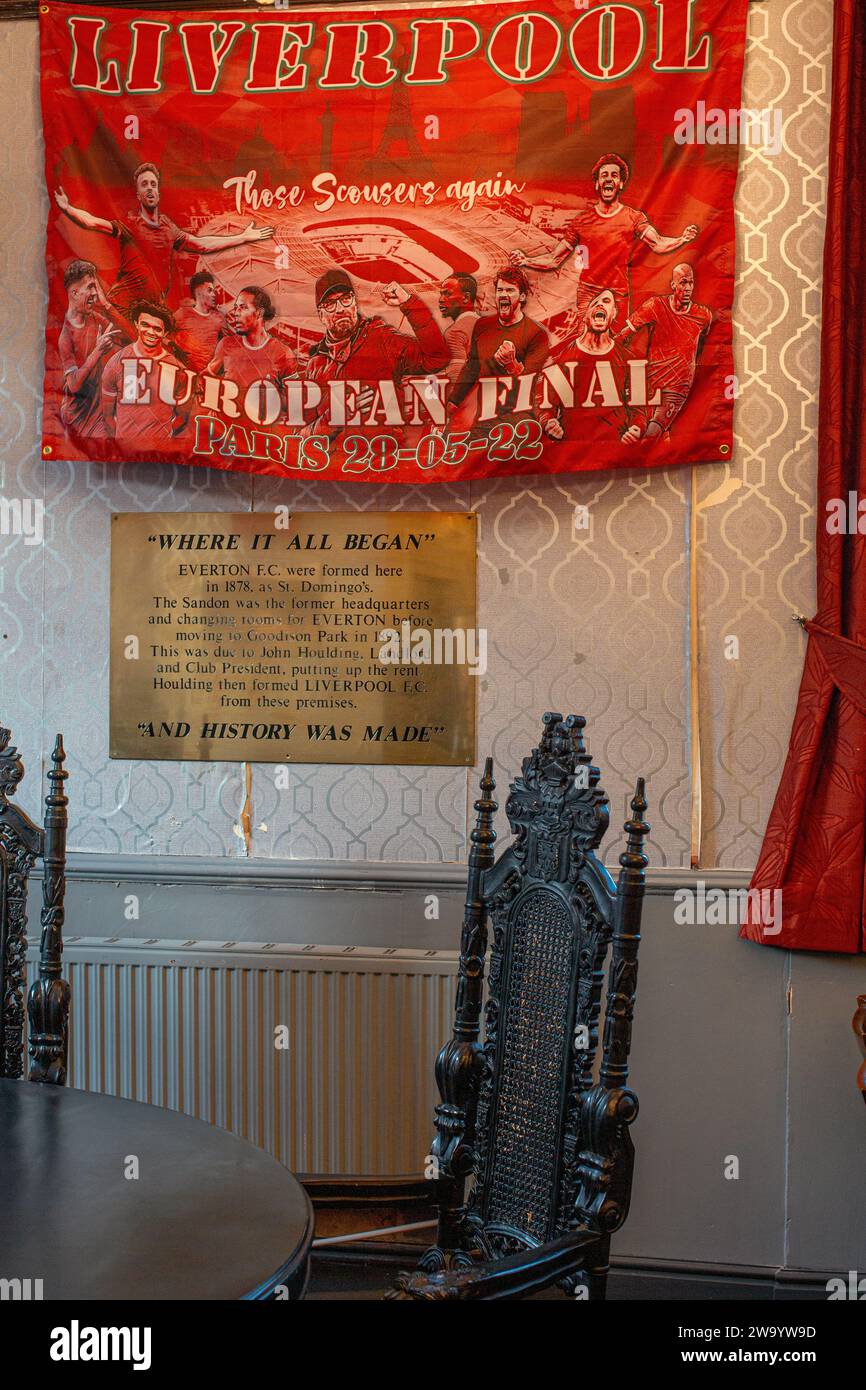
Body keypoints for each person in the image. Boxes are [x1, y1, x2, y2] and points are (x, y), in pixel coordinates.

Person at [54, 162, 274, 312]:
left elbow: (202, 245)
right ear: (138, 194)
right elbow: (92, 222)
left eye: (153, 184)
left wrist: (243, 237)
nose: (150, 188)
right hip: (123, 306)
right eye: (144, 185)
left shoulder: (169, 227)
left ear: (158, 192)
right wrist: (68, 209)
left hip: (152, 310)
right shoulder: (130, 224)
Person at [509, 153, 699, 324]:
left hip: (618, 295)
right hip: (588, 293)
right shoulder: (582, 221)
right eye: (604, 175)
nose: (609, 179)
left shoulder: (634, 217)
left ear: (621, 184)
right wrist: (527, 260)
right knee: (586, 349)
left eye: (614, 175)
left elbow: (657, 243)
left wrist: (681, 239)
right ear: (598, 183)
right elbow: (554, 259)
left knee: (614, 348)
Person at [302, 269, 449, 441]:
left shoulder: (382, 338)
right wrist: (335, 417)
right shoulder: (315, 364)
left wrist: (410, 304)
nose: (340, 309)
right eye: (330, 304)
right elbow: (302, 434)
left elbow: (437, 358)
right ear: (321, 314)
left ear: (355, 304)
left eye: (345, 299)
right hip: (336, 463)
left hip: (382, 460)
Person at [617, 263, 713, 442]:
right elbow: (624, 336)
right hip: (649, 385)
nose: (688, 288)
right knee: (658, 439)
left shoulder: (703, 316)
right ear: (673, 285)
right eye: (683, 283)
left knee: (650, 437)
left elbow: (702, 344)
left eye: (691, 283)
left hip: (677, 388)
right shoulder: (655, 305)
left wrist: (687, 367)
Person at [449, 266, 549, 427]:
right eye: (500, 290)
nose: (503, 294)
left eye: (510, 290)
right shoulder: (482, 326)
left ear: (522, 296)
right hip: (483, 421)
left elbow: (531, 386)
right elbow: (472, 368)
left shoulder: (536, 334)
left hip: (518, 423)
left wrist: (512, 365)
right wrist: (453, 402)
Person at [535, 288, 631, 442]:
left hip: (615, 451)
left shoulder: (628, 358)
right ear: (585, 315)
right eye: (594, 303)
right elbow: (544, 400)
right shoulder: (561, 357)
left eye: (606, 301)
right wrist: (549, 421)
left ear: (613, 313)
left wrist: (637, 426)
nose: (600, 305)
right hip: (572, 450)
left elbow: (640, 405)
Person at [101, 300, 190, 447]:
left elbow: (182, 416)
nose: (150, 332)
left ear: (165, 333)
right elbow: (108, 416)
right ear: (136, 324)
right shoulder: (116, 362)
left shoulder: (177, 369)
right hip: (126, 453)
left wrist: (162, 439)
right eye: (145, 325)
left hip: (160, 455)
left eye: (157, 328)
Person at [57, 260, 130, 438]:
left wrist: (106, 305)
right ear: (74, 293)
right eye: (90, 287)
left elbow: (131, 339)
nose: (95, 293)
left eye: (95, 287)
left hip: (99, 414)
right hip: (77, 419)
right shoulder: (65, 336)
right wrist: (98, 352)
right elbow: (73, 384)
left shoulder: (96, 319)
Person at [204, 286, 297, 405]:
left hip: (263, 422)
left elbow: (295, 400)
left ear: (259, 313)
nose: (236, 313)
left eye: (243, 308)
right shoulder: (226, 345)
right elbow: (204, 378)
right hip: (230, 421)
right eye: (236, 308)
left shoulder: (283, 353)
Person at [173, 270, 227, 373]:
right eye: (210, 291)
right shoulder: (182, 314)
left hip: (207, 377)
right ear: (198, 292)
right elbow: (163, 335)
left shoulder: (219, 318)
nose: (214, 295)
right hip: (182, 374)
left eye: (214, 291)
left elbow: (227, 346)